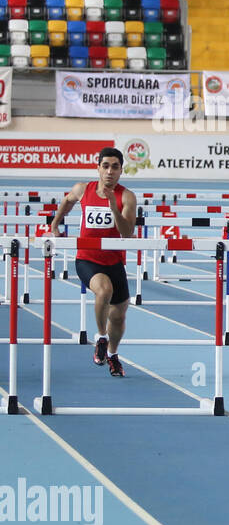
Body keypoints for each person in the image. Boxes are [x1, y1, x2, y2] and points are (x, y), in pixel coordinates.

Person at [48, 148, 138, 377]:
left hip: (114, 261)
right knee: (104, 290)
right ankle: (101, 337)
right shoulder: (83, 189)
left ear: (121, 170)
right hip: (87, 259)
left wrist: (113, 208)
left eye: (115, 167)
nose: (109, 171)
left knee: (118, 316)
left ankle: (113, 355)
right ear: (98, 167)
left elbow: (127, 234)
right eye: (105, 166)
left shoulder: (127, 196)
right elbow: (67, 201)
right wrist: (55, 224)